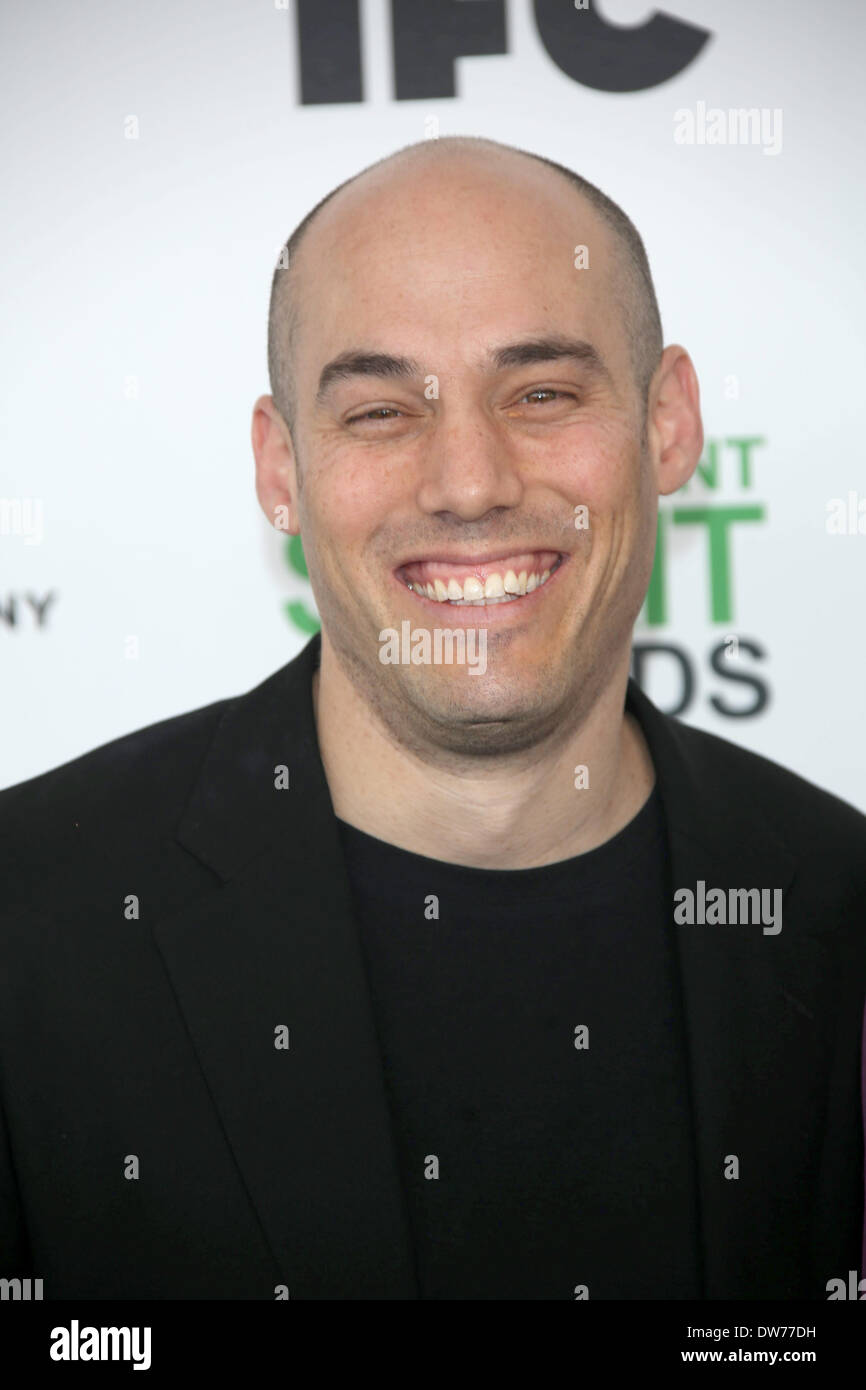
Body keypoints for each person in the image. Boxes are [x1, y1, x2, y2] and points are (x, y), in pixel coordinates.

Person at [1, 136, 863, 1301]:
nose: (468, 480)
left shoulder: (837, 903)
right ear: (280, 470)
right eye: (377, 412)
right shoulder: (29, 924)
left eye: (542, 393)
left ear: (667, 423)